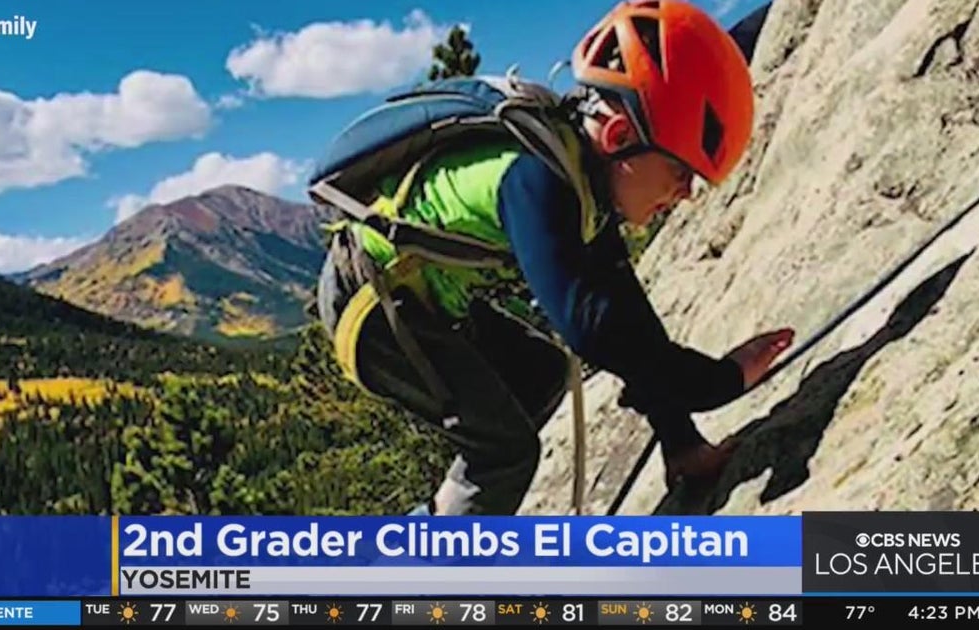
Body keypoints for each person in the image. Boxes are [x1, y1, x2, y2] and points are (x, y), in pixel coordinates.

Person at [315, 0, 794, 516]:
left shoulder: (581, 176)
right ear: (619, 136)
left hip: (411, 295)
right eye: (681, 174)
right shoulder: (536, 178)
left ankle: (443, 517)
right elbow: (592, 328)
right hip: (369, 305)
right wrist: (720, 381)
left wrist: (679, 440)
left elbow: (626, 313)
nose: (686, 195)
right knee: (505, 452)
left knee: (541, 374)